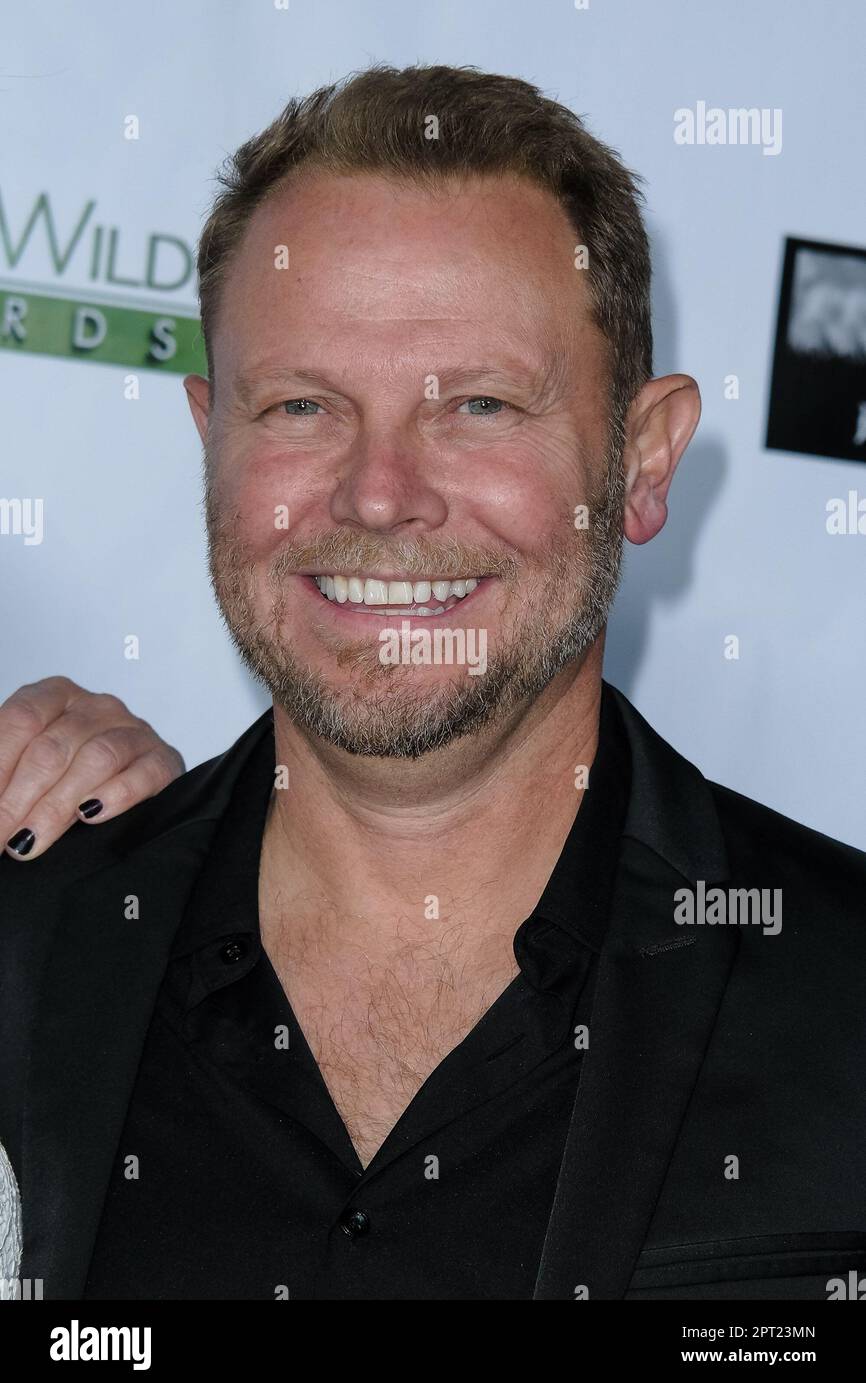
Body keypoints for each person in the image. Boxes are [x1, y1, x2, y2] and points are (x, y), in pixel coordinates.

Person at [2, 63, 865, 1302]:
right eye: (301, 404)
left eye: (476, 404)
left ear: (642, 459)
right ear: (212, 441)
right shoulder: (33, 941)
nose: (376, 494)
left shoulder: (840, 990)